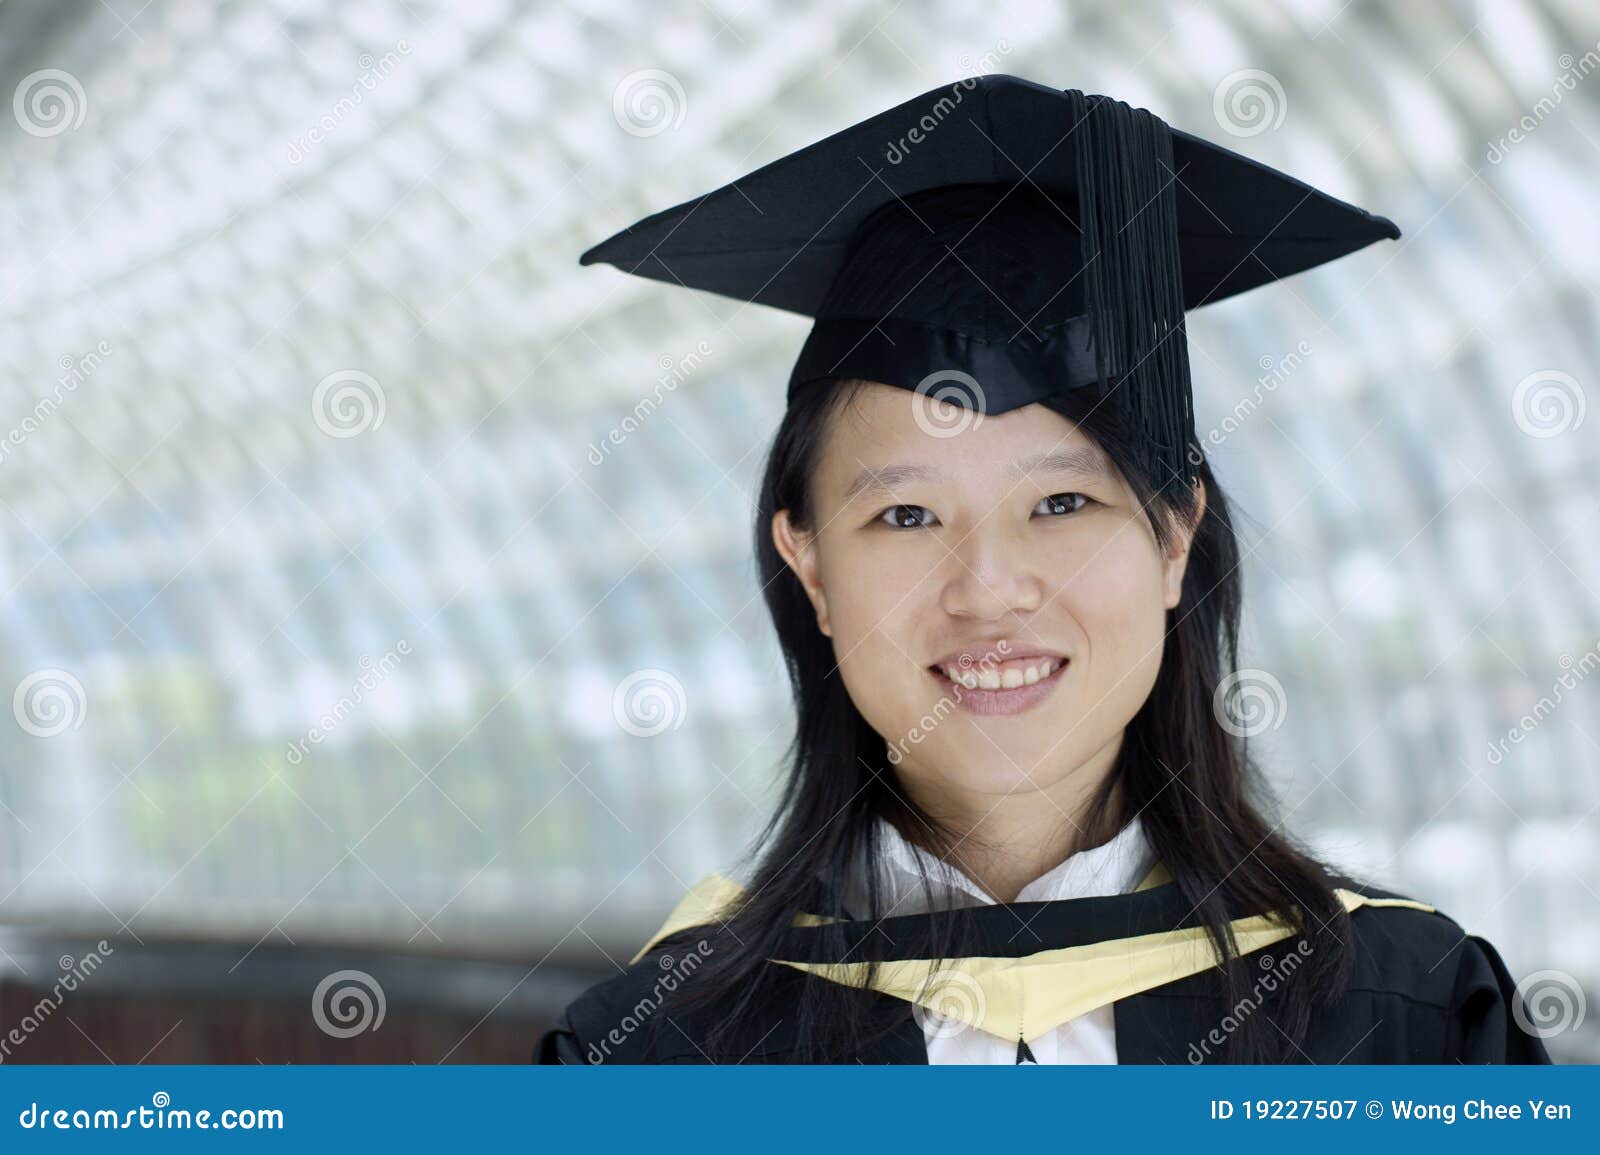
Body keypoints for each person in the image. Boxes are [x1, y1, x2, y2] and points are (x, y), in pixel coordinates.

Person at [535, 75, 1553, 1064]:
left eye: (1062, 503)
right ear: (807, 565)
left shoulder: (1407, 1024)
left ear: (1172, 537)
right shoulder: (659, 1057)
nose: (988, 588)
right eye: (906, 514)